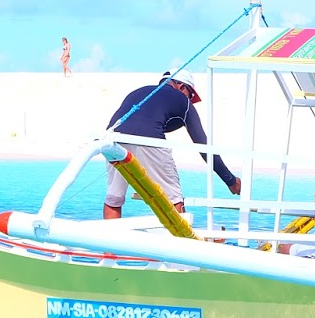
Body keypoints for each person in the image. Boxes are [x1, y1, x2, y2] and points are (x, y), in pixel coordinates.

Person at [103, 74, 240, 219]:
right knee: (173, 199)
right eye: (190, 95)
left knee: (114, 198)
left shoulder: (138, 91)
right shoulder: (183, 101)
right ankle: (175, 234)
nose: (190, 100)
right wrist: (231, 181)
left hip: (112, 139)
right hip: (149, 140)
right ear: (181, 86)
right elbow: (203, 146)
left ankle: (111, 232)